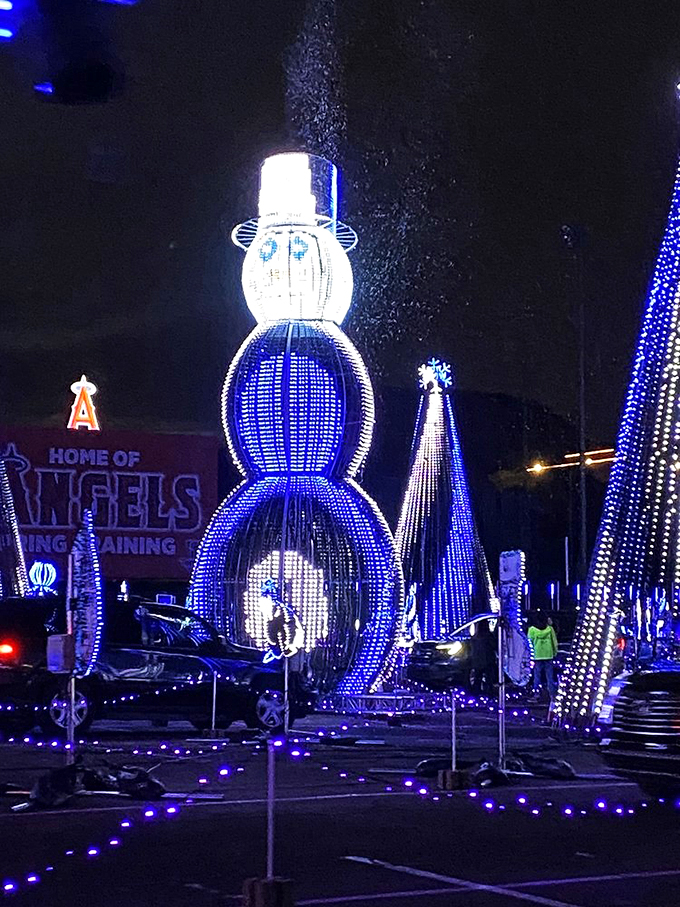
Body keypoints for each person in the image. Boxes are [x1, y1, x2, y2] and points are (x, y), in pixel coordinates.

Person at [528, 612, 558, 698]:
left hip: (537, 656)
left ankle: (536, 694)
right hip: (548, 655)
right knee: (550, 677)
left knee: (537, 676)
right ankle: (552, 695)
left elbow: (529, 643)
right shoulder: (550, 629)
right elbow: (554, 642)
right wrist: (555, 652)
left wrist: (530, 655)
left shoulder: (532, 630)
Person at [470, 619, 496, 695]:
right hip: (488, 660)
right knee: (489, 679)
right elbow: (494, 646)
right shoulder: (489, 636)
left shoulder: (475, 637)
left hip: (477, 661)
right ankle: (489, 693)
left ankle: (476, 693)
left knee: (477, 678)